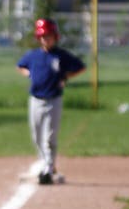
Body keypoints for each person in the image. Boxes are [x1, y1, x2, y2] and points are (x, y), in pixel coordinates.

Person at [16, 18, 86, 184]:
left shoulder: (60, 55)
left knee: (50, 137)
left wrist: (65, 77)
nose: (45, 39)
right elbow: (20, 66)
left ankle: (47, 169)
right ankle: (46, 164)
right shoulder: (33, 56)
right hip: (35, 100)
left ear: (55, 37)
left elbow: (80, 67)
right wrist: (29, 74)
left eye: (48, 36)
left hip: (53, 99)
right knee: (37, 136)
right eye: (42, 36)